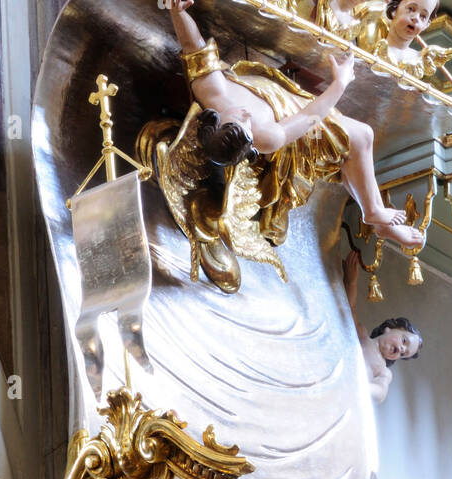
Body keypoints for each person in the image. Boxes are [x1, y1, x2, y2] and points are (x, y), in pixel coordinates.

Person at [165, 0, 424, 250]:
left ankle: (374, 214)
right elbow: (310, 116)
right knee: (361, 136)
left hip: (280, 90)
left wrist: (177, 11)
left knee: (357, 144)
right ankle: (374, 213)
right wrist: (340, 84)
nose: (245, 115)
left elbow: (192, 45)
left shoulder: (212, 90)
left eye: (237, 119)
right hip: (297, 120)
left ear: (218, 122)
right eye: (247, 127)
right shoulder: (264, 136)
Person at [343, 248, 422, 402]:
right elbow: (348, 309)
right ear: (390, 328)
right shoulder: (363, 336)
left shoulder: (383, 370)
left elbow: (380, 392)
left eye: (403, 354)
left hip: (347, 389)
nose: (401, 349)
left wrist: (360, 385)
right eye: (404, 341)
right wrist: (351, 281)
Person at [357, 0, 452, 80]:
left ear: (426, 25)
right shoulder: (376, 44)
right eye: (411, 9)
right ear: (394, 10)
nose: (416, 18)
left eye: (423, 16)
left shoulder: (419, 59)